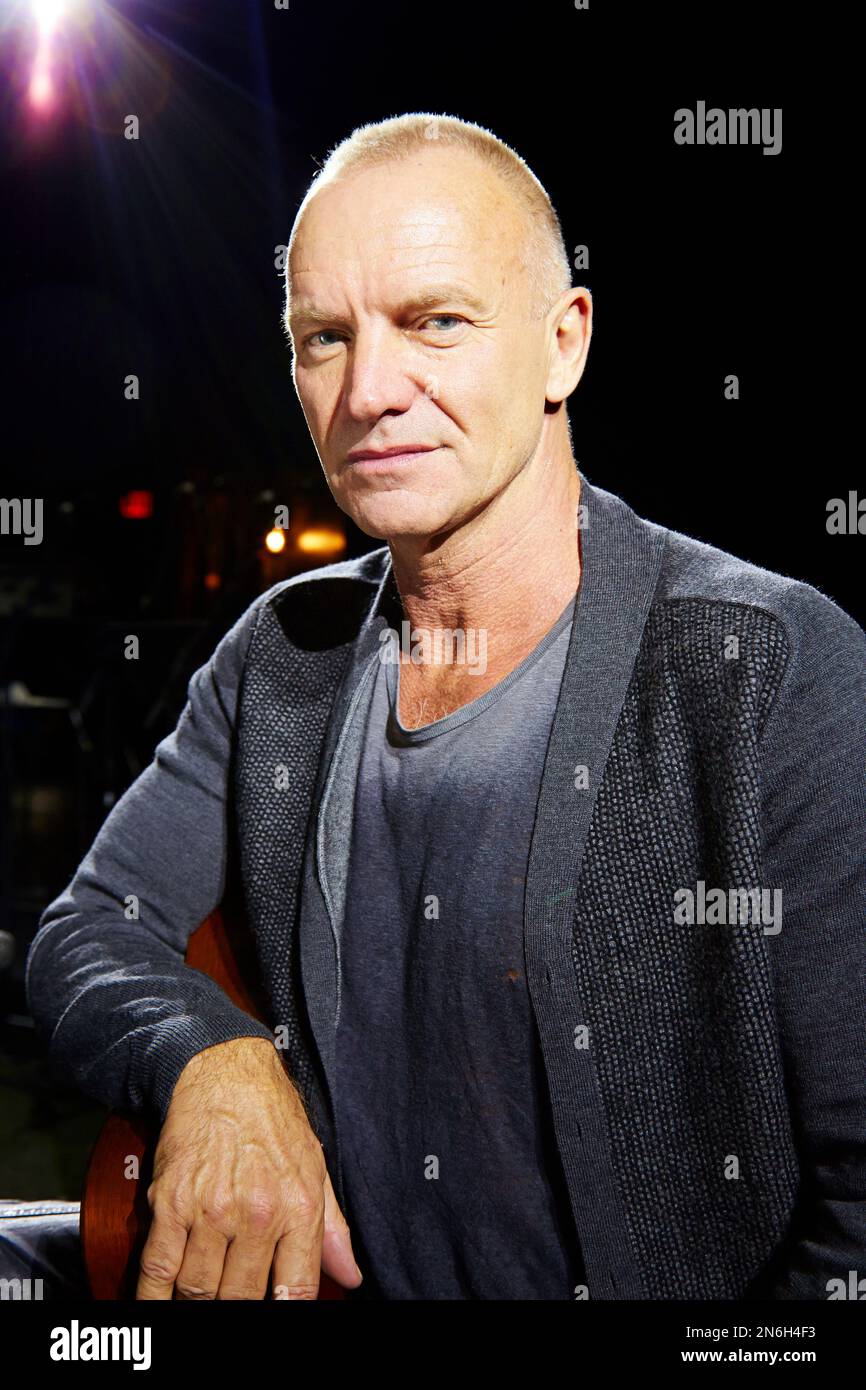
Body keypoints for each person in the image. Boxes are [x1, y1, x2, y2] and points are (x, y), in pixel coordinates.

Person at [15, 112, 866, 1301]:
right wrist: (214, 1057)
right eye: (324, 337)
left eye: (434, 323)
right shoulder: (286, 650)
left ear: (563, 343)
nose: (369, 389)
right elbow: (86, 929)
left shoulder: (765, 667)